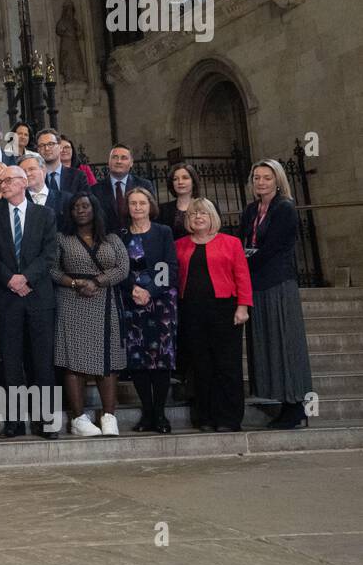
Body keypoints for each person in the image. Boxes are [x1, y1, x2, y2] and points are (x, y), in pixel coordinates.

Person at [0, 165, 59, 438]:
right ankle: (14, 422)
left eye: (7, 181)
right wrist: (10, 280)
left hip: (39, 296)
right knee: (11, 362)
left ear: (23, 182)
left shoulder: (45, 214)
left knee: (42, 362)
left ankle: (46, 422)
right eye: (0, 181)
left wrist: (25, 278)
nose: (2, 185)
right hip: (7, 298)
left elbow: (50, 254)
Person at [241, 159, 313, 429]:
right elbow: (243, 241)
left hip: (279, 283)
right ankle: (279, 398)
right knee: (267, 342)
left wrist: (245, 262)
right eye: (257, 177)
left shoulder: (285, 208)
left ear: (277, 180)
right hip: (256, 284)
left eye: (267, 177)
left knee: (285, 341)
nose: (261, 182)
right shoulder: (251, 210)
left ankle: (295, 405)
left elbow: (274, 247)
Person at [52, 193, 130, 436]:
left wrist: (98, 281)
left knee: (107, 361)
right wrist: (75, 283)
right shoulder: (61, 239)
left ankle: (109, 416)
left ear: (95, 209)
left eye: (85, 206)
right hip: (72, 301)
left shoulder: (112, 238)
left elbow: (123, 268)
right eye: (75, 207)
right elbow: (52, 269)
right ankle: (78, 419)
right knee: (73, 361)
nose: (80, 210)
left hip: (104, 300)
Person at [176, 198, 252, 431]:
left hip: (225, 309)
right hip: (191, 310)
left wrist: (243, 306)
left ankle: (228, 418)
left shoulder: (231, 243)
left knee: (227, 365)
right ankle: (205, 418)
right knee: (201, 365)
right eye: (193, 214)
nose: (198, 217)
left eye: (203, 214)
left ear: (212, 217)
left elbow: (242, 275)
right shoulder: (179, 245)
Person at [116, 188, 179, 433]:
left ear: (150, 206)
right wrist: (133, 289)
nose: (138, 208)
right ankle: (147, 413)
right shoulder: (120, 235)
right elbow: (118, 268)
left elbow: (169, 267)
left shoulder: (163, 232)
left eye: (142, 203)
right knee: (138, 360)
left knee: (161, 360)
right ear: (127, 207)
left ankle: (161, 414)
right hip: (131, 303)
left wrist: (149, 292)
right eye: (133, 203)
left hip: (160, 302)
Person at [90, 144, 151, 233]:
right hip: (107, 242)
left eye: (124, 158)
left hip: (138, 239)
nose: (119, 161)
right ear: (109, 161)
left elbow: (152, 215)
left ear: (131, 163)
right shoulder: (95, 190)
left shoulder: (144, 185)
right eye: (115, 157)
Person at [35, 127, 89, 197]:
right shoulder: (34, 179)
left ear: (60, 147)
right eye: (42, 145)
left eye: (51, 144)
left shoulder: (78, 176)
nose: (46, 148)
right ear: (38, 150)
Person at [158, 162, 200, 240]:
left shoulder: (209, 206)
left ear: (193, 181)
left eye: (185, 177)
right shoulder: (162, 210)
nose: (180, 182)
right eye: (175, 179)